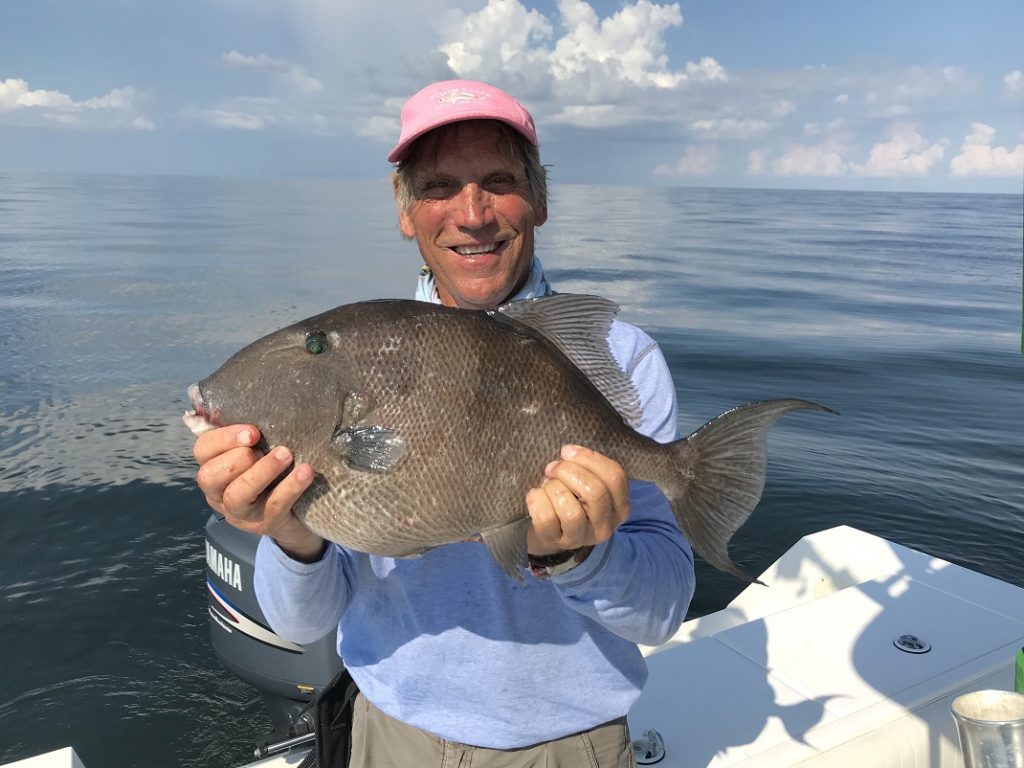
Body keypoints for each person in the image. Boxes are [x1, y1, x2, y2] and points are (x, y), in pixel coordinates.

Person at [192, 79, 695, 767]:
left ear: (541, 200)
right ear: (405, 211)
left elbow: (661, 613)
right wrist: (286, 529)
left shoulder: (623, 359)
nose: (472, 213)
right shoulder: (368, 352)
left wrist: (585, 554)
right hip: (391, 732)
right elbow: (301, 621)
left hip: (567, 746)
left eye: (499, 180)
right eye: (438, 186)